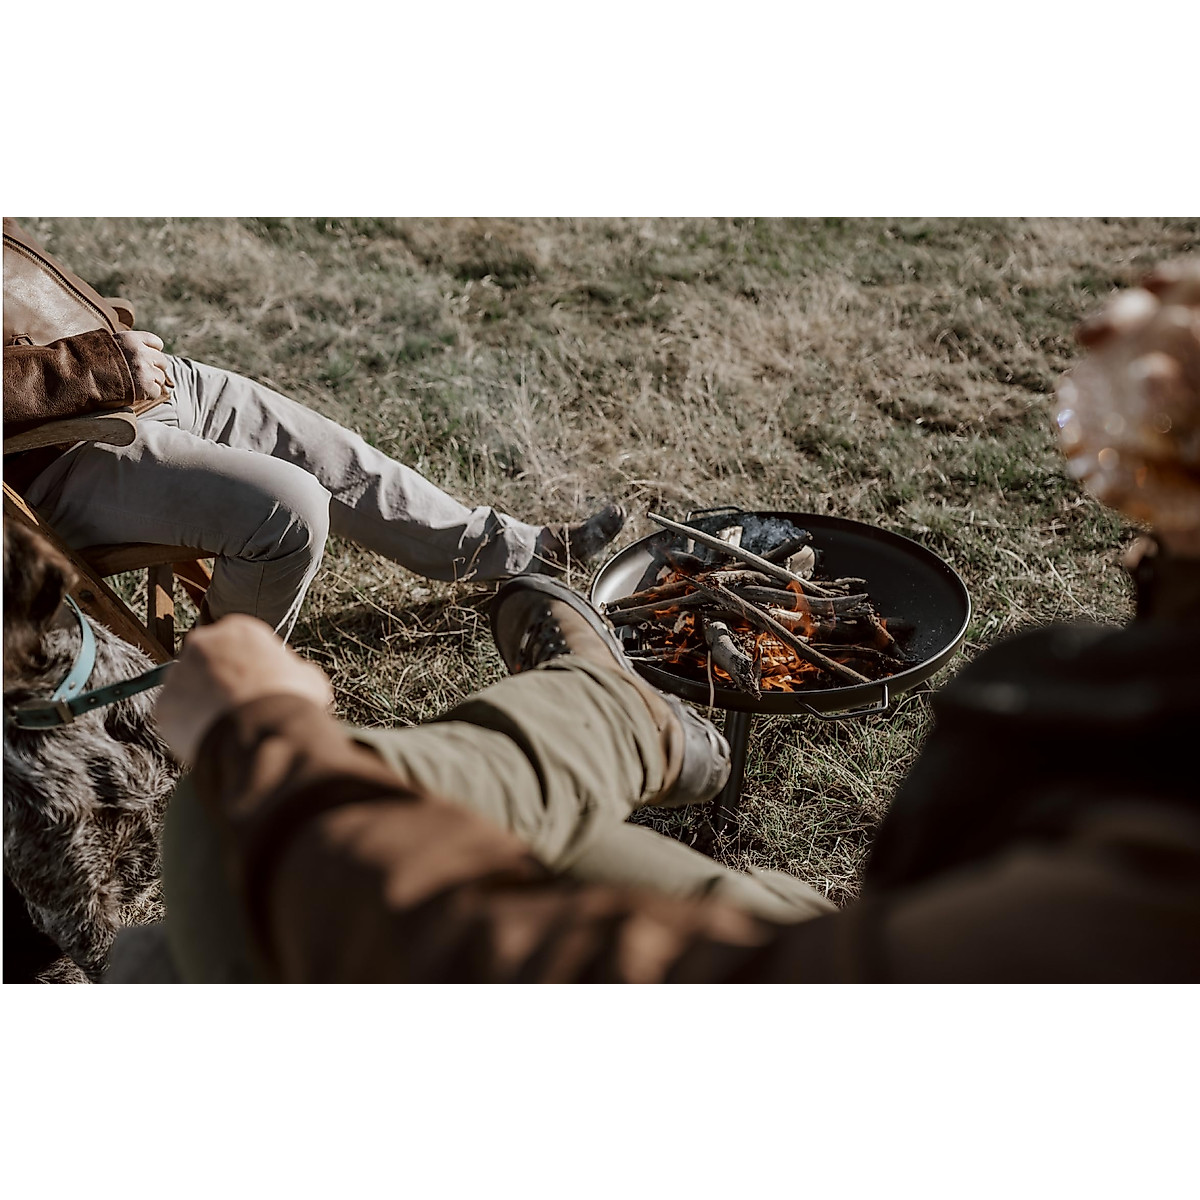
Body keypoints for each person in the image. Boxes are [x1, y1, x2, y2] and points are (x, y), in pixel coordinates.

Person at [137, 259, 1200, 984]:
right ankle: (609, 708)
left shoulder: (1137, 910)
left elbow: (482, 950)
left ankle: (609, 707)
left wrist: (263, 742)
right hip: (837, 932)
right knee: (175, 949)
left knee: (212, 860)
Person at [3, 219, 625, 638]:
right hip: (54, 454)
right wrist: (94, 368)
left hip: (127, 385)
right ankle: (214, 706)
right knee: (288, 511)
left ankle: (513, 552)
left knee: (335, 457)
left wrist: (108, 336)